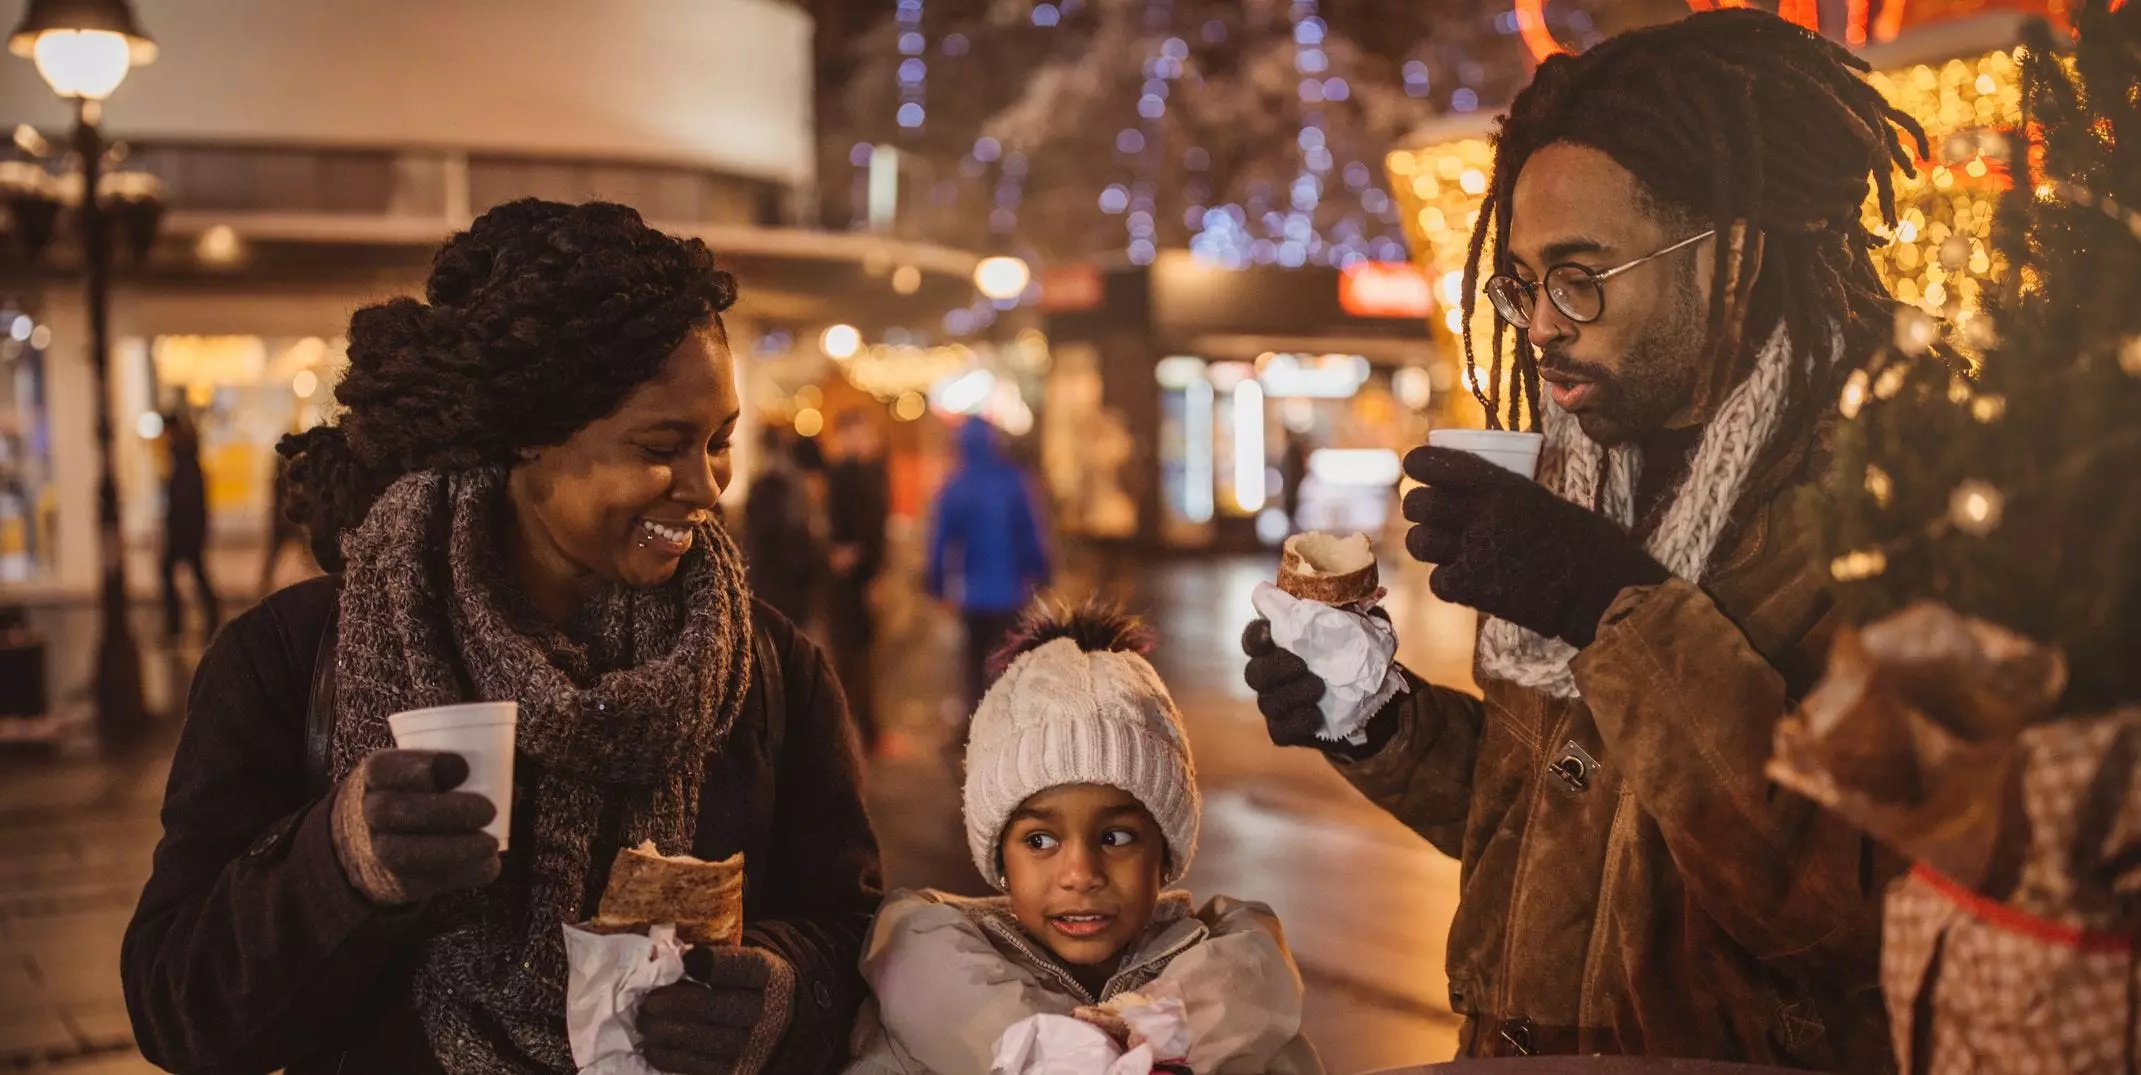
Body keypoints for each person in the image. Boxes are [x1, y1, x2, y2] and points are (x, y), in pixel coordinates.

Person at [1241, 11, 1926, 1068]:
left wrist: (1616, 606)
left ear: (1728, 254)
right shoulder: (1587, 461)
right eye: (1519, 282)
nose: (1542, 325)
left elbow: (1846, 909)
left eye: (1579, 273)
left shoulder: (1898, 496)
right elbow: (1561, 819)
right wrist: (1376, 723)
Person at [121, 200, 882, 1075]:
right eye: (661, 445)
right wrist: (340, 863)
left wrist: (783, 996)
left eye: (719, 441)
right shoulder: (290, 659)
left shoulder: (770, 669)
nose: (705, 486)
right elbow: (178, 1006)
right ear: (528, 435)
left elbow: (855, 935)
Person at [848, 605, 1322, 1075]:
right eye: (1039, 841)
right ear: (999, 859)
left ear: (1165, 852)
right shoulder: (924, 1001)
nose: (1080, 874)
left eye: (1116, 837)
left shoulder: (1247, 1008)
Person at [926, 420, 1050, 712]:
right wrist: (1042, 572)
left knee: (973, 665)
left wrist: (937, 584)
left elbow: (940, 541)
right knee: (1009, 662)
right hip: (1010, 591)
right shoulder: (1014, 481)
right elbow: (1031, 532)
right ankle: (1010, 723)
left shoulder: (955, 485)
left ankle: (975, 723)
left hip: (973, 594)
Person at [824, 411, 890, 754]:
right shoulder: (849, 474)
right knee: (853, 655)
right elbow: (861, 528)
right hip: (851, 581)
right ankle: (856, 731)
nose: (867, 439)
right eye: (860, 432)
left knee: (859, 654)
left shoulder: (862, 472)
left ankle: (862, 730)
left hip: (856, 577)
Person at [747, 425, 827, 633]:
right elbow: (791, 553)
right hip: (781, 596)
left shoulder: (771, 487)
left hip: (773, 592)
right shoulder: (783, 493)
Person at [159, 409, 220, 638]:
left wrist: (181, 528)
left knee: (181, 573)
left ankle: (178, 625)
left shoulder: (183, 460)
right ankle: (203, 620)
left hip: (184, 530)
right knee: (195, 574)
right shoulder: (185, 458)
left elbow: (184, 499)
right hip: (187, 529)